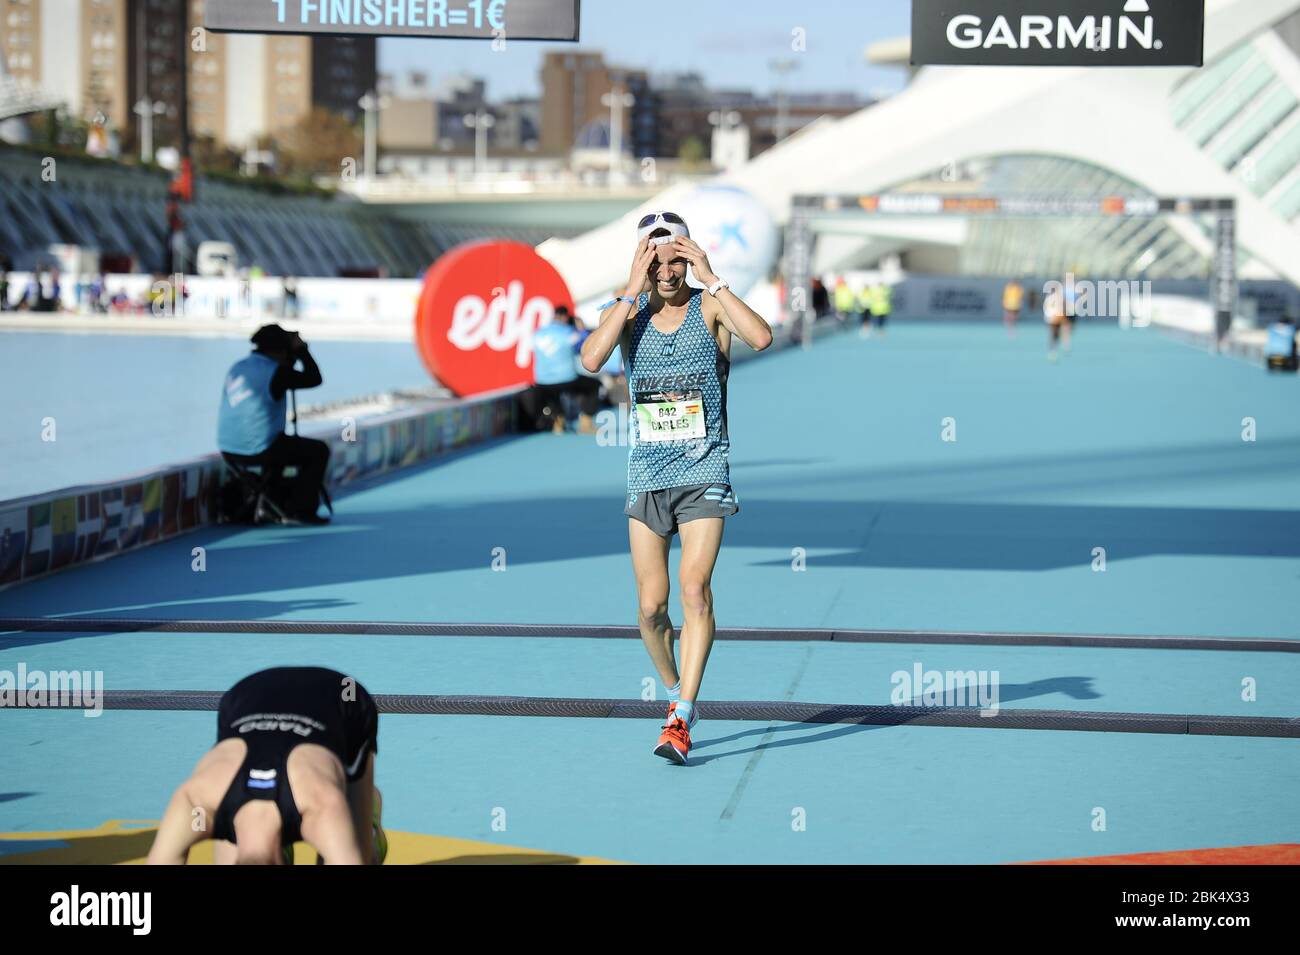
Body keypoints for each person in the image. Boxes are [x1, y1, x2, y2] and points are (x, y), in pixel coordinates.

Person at [580, 211, 772, 765]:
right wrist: (629, 291)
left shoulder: (710, 304)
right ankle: (672, 693)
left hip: (705, 470)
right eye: (655, 260)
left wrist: (712, 278)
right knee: (650, 606)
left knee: (694, 590)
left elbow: (760, 336)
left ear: (690, 255)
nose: (667, 271)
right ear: (642, 260)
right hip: (647, 474)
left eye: (676, 259)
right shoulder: (627, 312)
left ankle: (683, 715)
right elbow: (592, 358)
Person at [146, 667, 385, 865]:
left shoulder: (322, 807)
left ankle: (369, 825)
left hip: (343, 698)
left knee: (362, 857)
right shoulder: (194, 802)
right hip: (246, 695)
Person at [218, 323, 331, 525]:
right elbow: (314, 378)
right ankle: (300, 511)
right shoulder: (276, 372)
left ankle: (272, 504)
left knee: (282, 446)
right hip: (260, 449)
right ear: (280, 349)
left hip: (228, 450)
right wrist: (303, 351)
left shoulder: (238, 367)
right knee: (318, 451)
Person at [532, 304, 598, 434]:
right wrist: (581, 329)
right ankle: (585, 423)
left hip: (542, 381)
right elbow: (585, 347)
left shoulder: (538, 333)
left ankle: (558, 423)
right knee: (593, 386)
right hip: (566, 378)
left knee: (553, 394)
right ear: (564, 317)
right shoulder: (568, 332)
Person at [1044, 284, 1066, 362]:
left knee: (1056, 334)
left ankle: (1053, 349)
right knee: (1054, 334)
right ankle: (1052, 350)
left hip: (1056, 317)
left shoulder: (1058, 298)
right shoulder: (1052, 298)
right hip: (1054, 317)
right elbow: (1047, 308)